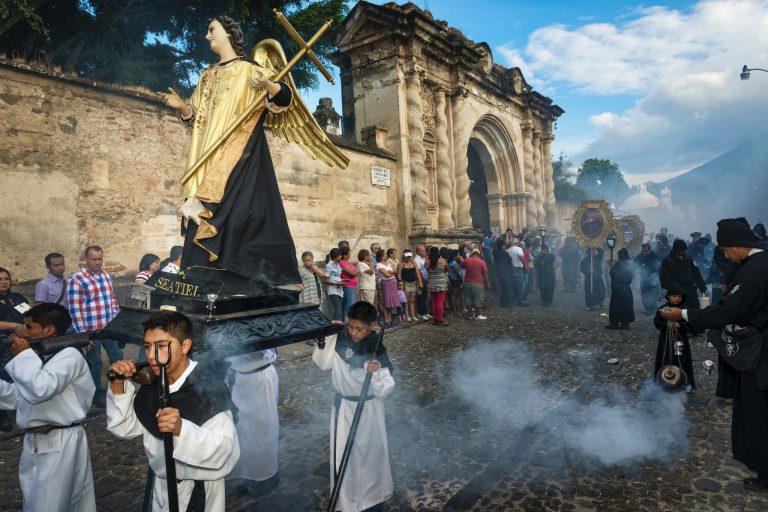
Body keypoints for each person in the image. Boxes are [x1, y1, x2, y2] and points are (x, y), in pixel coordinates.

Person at [161, 16, 345, 293]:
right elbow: (195, 120)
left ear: (229, 33)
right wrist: (183, 108)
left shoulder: (250, 69)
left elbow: (283, 99)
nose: (207, 37)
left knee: (237, 212)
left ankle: (240, 276)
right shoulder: (207, 75)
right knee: (204, 214)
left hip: (240, 151)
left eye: (212, 30)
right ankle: (203, 276)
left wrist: (269, 86)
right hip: (206, 155)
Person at [660, 218, 768, 492]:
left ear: (737, 246)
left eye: (725, 250)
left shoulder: (755, 271)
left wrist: (683, 314)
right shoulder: (757, 264)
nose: (724, 255)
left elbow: (728, 311)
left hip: (761, 353)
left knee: (759, 410)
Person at [107, 311, 240, 510]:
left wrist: (181, 430)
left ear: (185, 346)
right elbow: (125, 429)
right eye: (147, 346)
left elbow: (225, 452)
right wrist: (118, 386)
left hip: (199, 493)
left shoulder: (208, 388)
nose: (151, 355)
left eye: (161, 346)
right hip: (163, 488)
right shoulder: (153, 384)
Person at [0, 303, 96, 511]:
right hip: (36, 440)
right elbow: (20, 396)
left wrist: (22, 356)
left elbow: (39, 390)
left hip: (60, 442)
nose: (23, 332)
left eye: (29, 327)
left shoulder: (69, 355)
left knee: (51, 504)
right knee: (35, 501)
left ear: (49, 330)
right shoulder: (40, 355)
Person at [312, 301, 394, 511]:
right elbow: (323, 364)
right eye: (351, 326)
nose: (354, 333)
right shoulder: (341, 338)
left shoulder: (375, 346)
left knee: (368, 455)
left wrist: (376, 372)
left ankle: (372, 499)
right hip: (343, 409)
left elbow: (385, 390)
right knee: (344, 457)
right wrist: (329, 335)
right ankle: (348, 501)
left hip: (368, 411)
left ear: (372, 325)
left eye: (360, 328)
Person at [68, 246, 122, 408]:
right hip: (91, 330)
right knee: (95, 363)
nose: (98, 262)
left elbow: (112, 300)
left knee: (117, 357)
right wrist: (83, 335)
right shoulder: (76, 280)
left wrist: (117, 322)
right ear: (86, 259)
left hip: (108, 328)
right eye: (94, 259)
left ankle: (118, 388)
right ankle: (96, 394)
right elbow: (74, 309)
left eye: (100, 259)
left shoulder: (106, 276)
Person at [225, 347, 280, 496]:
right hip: (240, 378)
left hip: (260, 378)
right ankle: (248, 475)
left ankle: (266, 476)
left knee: (263, 430)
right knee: (243, 429)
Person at [0, 267, 31, 431]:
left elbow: (31, 314)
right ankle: (2, 414)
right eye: (0, 280)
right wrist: (16, 326)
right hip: (2, 343)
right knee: (3, 377)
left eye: (6, 278)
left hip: (22, 340)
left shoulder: (17, 297)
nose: (4, 282)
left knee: (21, 375)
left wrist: (24, 327)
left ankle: (23, 407)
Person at [653, 286, 695, 389]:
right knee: (666, 356)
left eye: (679, 296)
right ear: (668, 297)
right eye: (674, 296)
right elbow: (657, 321)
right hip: (666, 338)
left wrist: (681, 325)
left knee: (681, 358)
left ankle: (683, 381)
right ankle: (664, 380)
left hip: (681, 338)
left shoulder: (684, 309)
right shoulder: (664, 308)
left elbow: (691, 323)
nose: (677, 299)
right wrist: (667, 324)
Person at [607, 248, 634, 329]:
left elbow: (624, 277)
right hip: (617, 289)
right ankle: (614, 323)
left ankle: (624, 323)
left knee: (624, 307)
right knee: (615, 307)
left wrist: (612, 268)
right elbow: (613, 273)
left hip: (624, 289)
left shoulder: (627, 265)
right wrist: (612, 267)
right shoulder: (618, 263)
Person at [634, 243, 661, 315]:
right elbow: (634, 263)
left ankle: (651, 308)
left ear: (649, 250)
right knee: (644, 293)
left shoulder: (655, 256)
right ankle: (647, 308)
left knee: (652, 294)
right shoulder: (640, 256)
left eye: (645, 251)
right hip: (643, 278)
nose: (644, 253)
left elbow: (659, 266)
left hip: (653, 278)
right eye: (643, 251)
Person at [397, 250, 422, 322]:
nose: (409, 258)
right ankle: (407, 316)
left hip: (413, 283)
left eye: (410, 257)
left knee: (412, 300)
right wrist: (400, 283)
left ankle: (413, 315)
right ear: (404, 257)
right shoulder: (401, 264)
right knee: (406, 300)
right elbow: (399, 274)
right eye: (407, 257)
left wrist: (420, 282)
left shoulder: (413, 263)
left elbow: (417, 273)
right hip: (406, 283)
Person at [376, 249, 399, 327]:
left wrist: (391, 272)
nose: (386, 255)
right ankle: (386, 319)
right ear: (382, 257)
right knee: (386, 302)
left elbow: (393, 271)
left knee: (390, 303)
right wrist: (392, 272)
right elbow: (387, 275)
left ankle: (390, 319)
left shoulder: (387, 263)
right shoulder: (379, 264)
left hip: (392, 284)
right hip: (386, 284)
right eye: (385, 254)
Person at [427, 247, 450, 325]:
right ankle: (439, 319)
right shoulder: (442, 261)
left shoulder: (427, 262)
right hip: (441, 284)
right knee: (440, 302)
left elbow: (427, 270)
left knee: (434, 302)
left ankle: (435, 319)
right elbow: (447, 270)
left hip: (432, 284)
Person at [323, 248, 345, 323]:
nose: (341, 256)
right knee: (337, 307)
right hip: (333, 289)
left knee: (339, 307)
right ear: (336, 256)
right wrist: (336, 283)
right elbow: (325, 280)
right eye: (340, 255)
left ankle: (337, 323)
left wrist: (342, 281)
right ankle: (337, 324)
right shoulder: (329, 266)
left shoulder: (337, 265)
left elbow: (337, 276)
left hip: (339, 288)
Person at [507, 238, 528, 307]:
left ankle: (516, 298)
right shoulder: (518, 249)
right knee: (521, 285)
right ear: (516, 243)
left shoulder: (508, 250)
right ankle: (520, 301)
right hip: (517, 269)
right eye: (518, 242)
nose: (519, 243)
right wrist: (525, 266)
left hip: (510, 269)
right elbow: (522, 257)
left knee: (514, 285)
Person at [339, 247, 359, 323]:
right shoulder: (342, 263)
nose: (350, 255)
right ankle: (346, 322)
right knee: (348, 305)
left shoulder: (349, 263)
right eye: (349, 254)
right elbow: (353, 273)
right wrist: (358, 271)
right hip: (348, 286)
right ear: (344, 255)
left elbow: (354, 272)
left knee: (351, 304)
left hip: (353, 286)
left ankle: (348, 322)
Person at [492, 239, 514, 308]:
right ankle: (505, 303)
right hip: (505, 272)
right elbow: (509, 261)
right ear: (502, 245)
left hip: (499, 272)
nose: (505, 246)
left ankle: (503, 301)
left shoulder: (495, 252)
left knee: (504, 287)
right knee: (506, 288)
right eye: (504, 245)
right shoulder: (504, 253)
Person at [414, 245, 430, 320]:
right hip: (422, 280)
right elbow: (419, 272)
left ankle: (425, 312)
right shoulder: (416, 259)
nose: (425, 252)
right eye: (423, 250)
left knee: (425, 297)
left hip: (426, 280)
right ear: (418, 251)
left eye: (425, 250)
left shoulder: (423, 258)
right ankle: (421, 313)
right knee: (421, 297)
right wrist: (421, 281)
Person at [446, 250, 465, 314]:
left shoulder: (450, 262)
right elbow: (457, 273)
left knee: (454, 295)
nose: (459, 256)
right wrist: (461, 280)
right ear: (455, 255)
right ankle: (456, 309)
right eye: (458, 255)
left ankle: (456, 309)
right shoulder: (454, 263)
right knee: (455, 295)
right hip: (456, 280)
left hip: (452, 279)